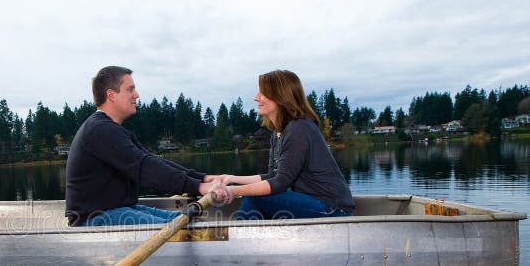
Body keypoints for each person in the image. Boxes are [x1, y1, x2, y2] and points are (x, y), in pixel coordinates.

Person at [65, 66, 225, 226]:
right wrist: (200, 187)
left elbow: (151, 160)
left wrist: (202, 178)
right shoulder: (100, 130)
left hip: (116, 210)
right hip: (95, 218)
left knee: (192, 222)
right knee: (185, 230)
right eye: (130, 89)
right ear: (111, 95)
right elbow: (145, 168)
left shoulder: (109, 129)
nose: (136, 95)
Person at [219, 70, 355, 219]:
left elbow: (280, 183)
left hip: (332, 207)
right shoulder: (278, 133)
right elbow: (273, 176)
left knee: (255, 196)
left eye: (263, 93)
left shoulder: (299, 128)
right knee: (253, 193)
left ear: (280, 97)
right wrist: (231, 179)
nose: (256, 98)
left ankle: (240, 234)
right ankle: (247, 233)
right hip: (315, 203)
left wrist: (235, 191)